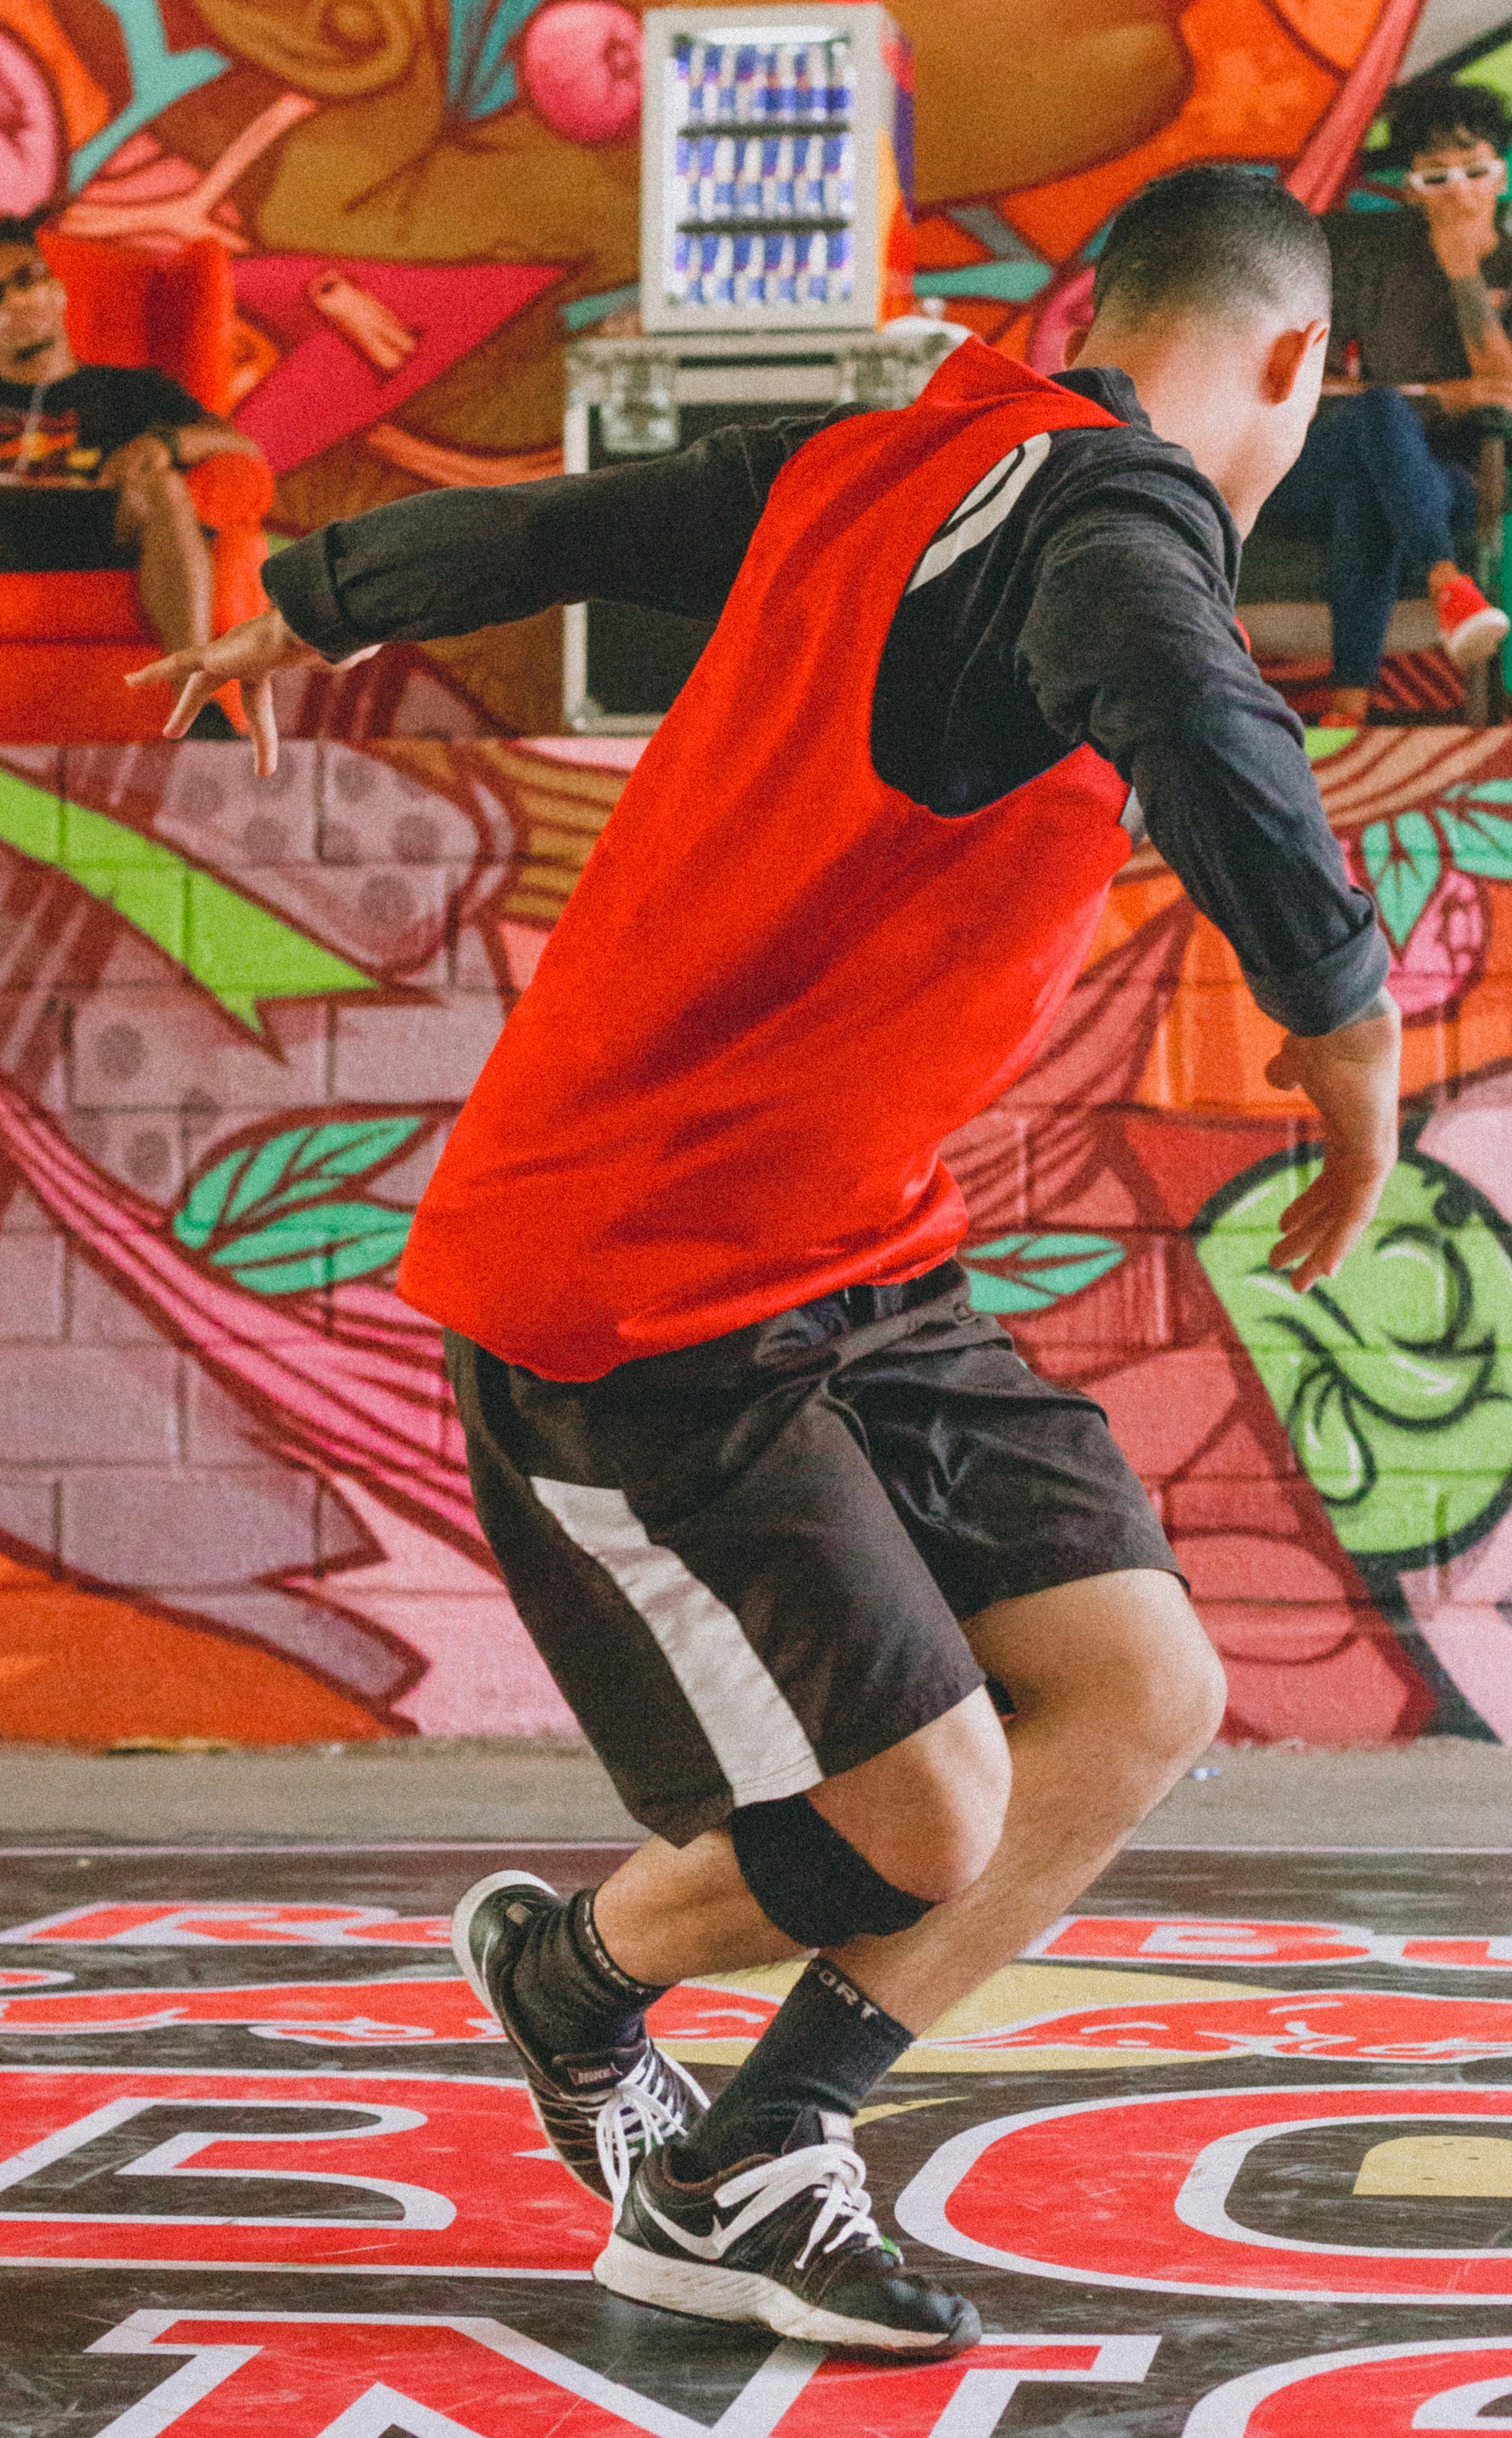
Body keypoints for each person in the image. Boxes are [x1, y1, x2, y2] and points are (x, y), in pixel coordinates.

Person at [132, 167, 1401, 2358]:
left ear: (1088, 300)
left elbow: (571, 521)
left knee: (1134, 1691)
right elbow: (1187, 709)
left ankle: (749, 2153)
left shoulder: (892, 443)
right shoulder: (1113, 520)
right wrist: (1342, 1034)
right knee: (922, 1814)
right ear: (1288, 364)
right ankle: (574, 1977)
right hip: (634, 1285)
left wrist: (313, 596)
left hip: (841, 1254)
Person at [1258, 81, 1512, 726]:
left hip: (1450, 477)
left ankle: (1351, 701)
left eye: (1474, 172)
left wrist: (1462, 273)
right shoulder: (1367, 254)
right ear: (1409, 184)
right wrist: (1445, 396)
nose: (1458, 193)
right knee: (1378, 414)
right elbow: (1306, 380)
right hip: (1334, 449)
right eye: (1435, 179)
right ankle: (1446, 581)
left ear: (1502, 175)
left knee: (1369, 491)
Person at [0, 209, 266, 738]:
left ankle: (195, 698)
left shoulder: (133, 389)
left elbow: (240, 450)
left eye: (26, 280)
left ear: (57, 290)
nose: (18, 301)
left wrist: (165, 441)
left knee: (163, 487)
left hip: (100, 522)